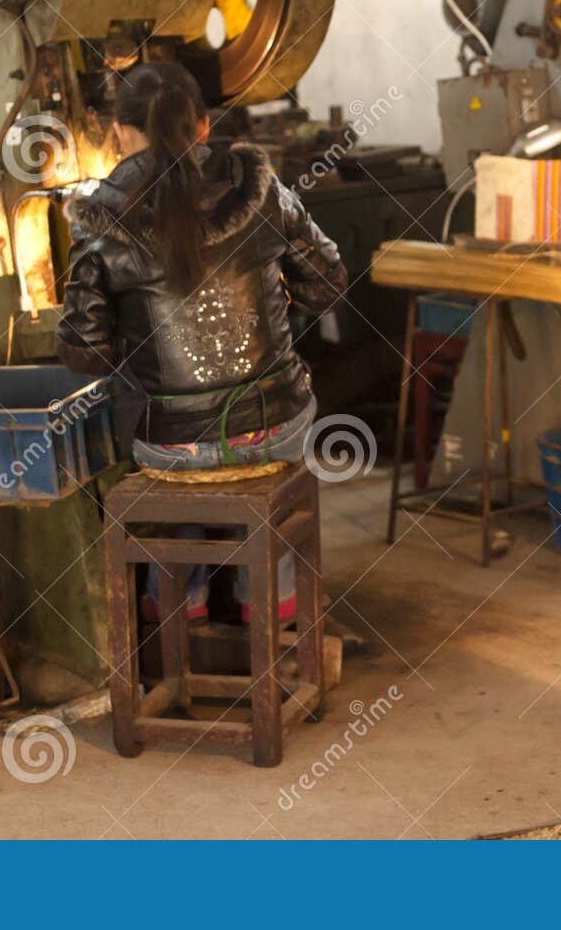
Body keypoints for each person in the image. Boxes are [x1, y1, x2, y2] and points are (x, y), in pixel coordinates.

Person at [58, 60, 347, 624]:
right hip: (277, 426)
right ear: (205, 126)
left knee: (163, 442)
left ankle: (181, 608)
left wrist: (138, 351)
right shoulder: (259, 188)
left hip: (171, 446)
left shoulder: (99, 219)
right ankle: (268, 607)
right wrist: (277, 332)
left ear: (119, 133)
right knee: (244, 454)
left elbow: (83, 350)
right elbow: (329, 281)